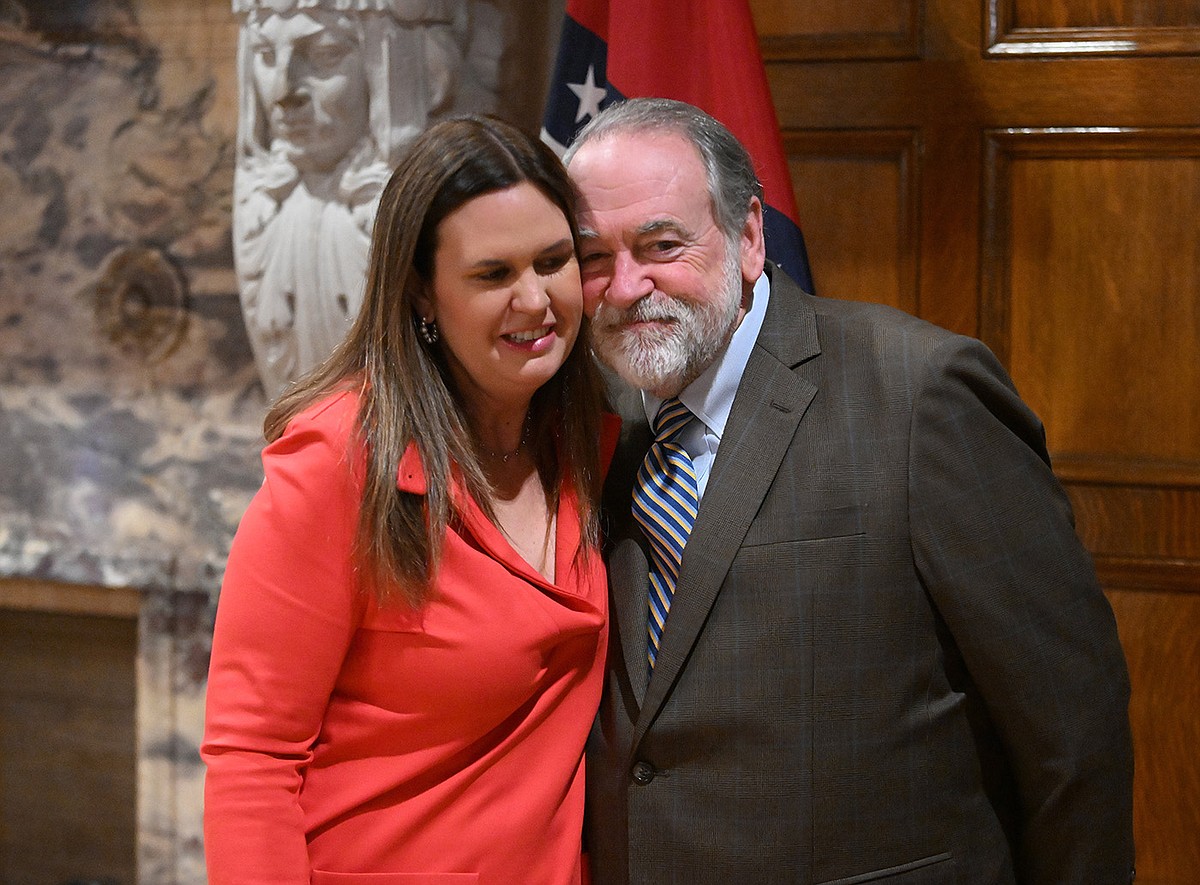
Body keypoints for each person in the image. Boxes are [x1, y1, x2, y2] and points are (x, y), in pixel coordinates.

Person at [563, 97, 1134, 884]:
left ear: (750, 236)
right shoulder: (591, 430)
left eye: (662, 244)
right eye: (594, 257)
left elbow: (1073, 724)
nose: (626, 286)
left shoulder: (917, 393)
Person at [202, 114, 616, 884]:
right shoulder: (338, 459)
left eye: (554, 261)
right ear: (423, 292)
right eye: (493, 274)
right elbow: (252, 756)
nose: (536, 299)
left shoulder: (592, 445)